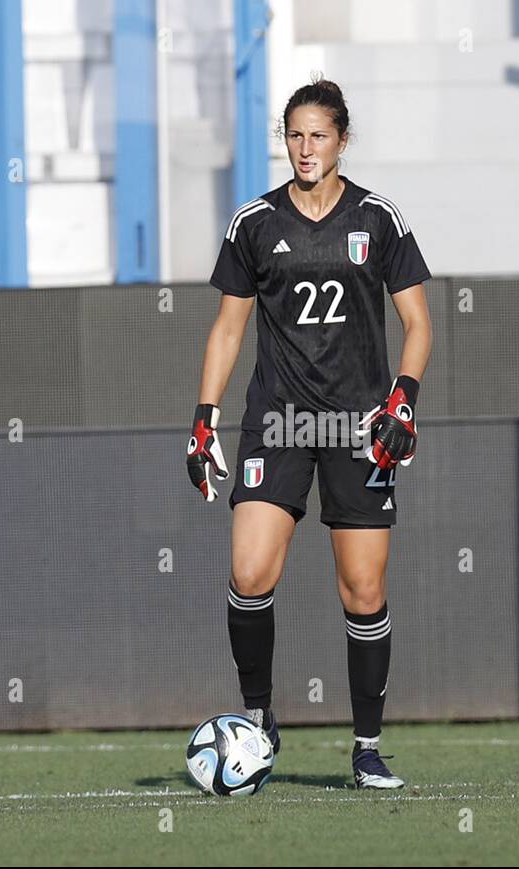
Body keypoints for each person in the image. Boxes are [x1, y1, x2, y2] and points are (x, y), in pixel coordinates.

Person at [187, 78, 433, 789]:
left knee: (362, 589)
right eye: (294, 135)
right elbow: (228, 328)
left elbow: (419, 324)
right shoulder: (254, 223)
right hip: (279, 421)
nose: (305, 148)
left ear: (342, 141)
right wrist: (203, 420)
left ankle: (365, 747)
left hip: (361, 428)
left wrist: (403, 401)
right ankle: (260, 721)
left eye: (318, 135)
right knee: (249, 572)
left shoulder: (379, 218)